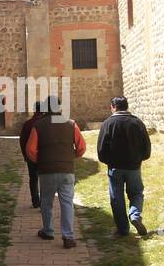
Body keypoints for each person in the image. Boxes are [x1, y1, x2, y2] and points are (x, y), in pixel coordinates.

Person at [24, 97, 86, 248]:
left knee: (46, 202)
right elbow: (81, 147)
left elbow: (30, 150)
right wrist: (71, 157)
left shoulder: (38, 125)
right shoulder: (71, 124)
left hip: (46, 170)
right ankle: (68, 236)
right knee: (67, 203)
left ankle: (48, 230)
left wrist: (41, 160)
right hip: (66, 170)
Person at [97, 96, 151, 237]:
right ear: (126, 106)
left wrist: (108, 161)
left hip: (115, 167)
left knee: (117, 198)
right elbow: (146, 145)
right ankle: (135, 215)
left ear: (113, 107)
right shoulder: (137, 122)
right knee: (136, 193)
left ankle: (122, 229)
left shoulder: (108, 123)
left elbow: (101, 149)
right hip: (133, 166)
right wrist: (141, 158)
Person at [18, 101, 47, 208]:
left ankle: (35, 201)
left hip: (31, 155)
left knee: (33, 179)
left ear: (34, 110)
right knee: (44, 179)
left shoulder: (28, 124)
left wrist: (25, 155)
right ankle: (44, 201)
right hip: (44, 156)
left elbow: (22, 141)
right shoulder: (46, 123)